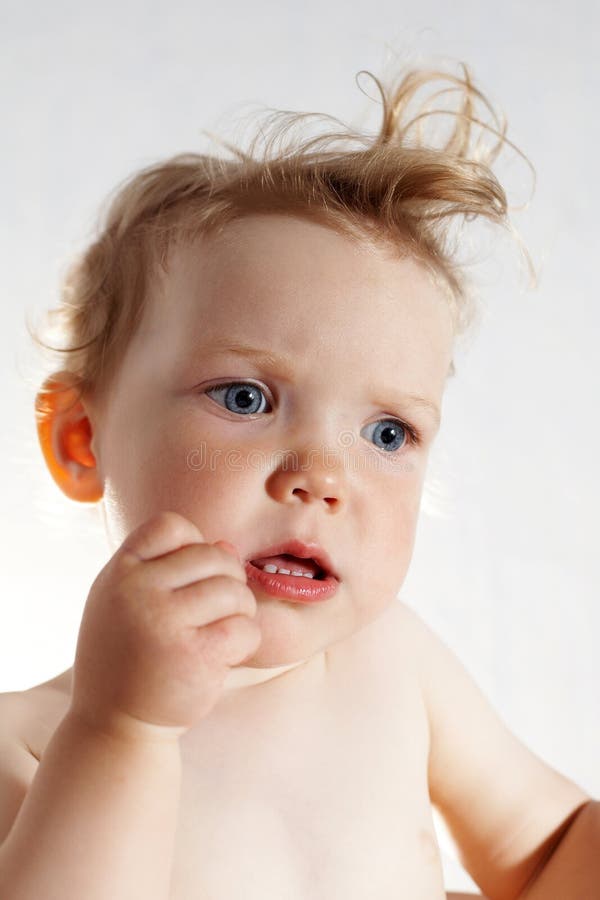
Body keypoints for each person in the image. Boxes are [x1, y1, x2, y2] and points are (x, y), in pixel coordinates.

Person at [0, 61, 597, 900]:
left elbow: (552, 850)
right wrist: (123, 729)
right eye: (245, 398)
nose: (321, 477)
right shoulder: (30, 740)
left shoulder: (391, 661)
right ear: (81, 440)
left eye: (388, 433)